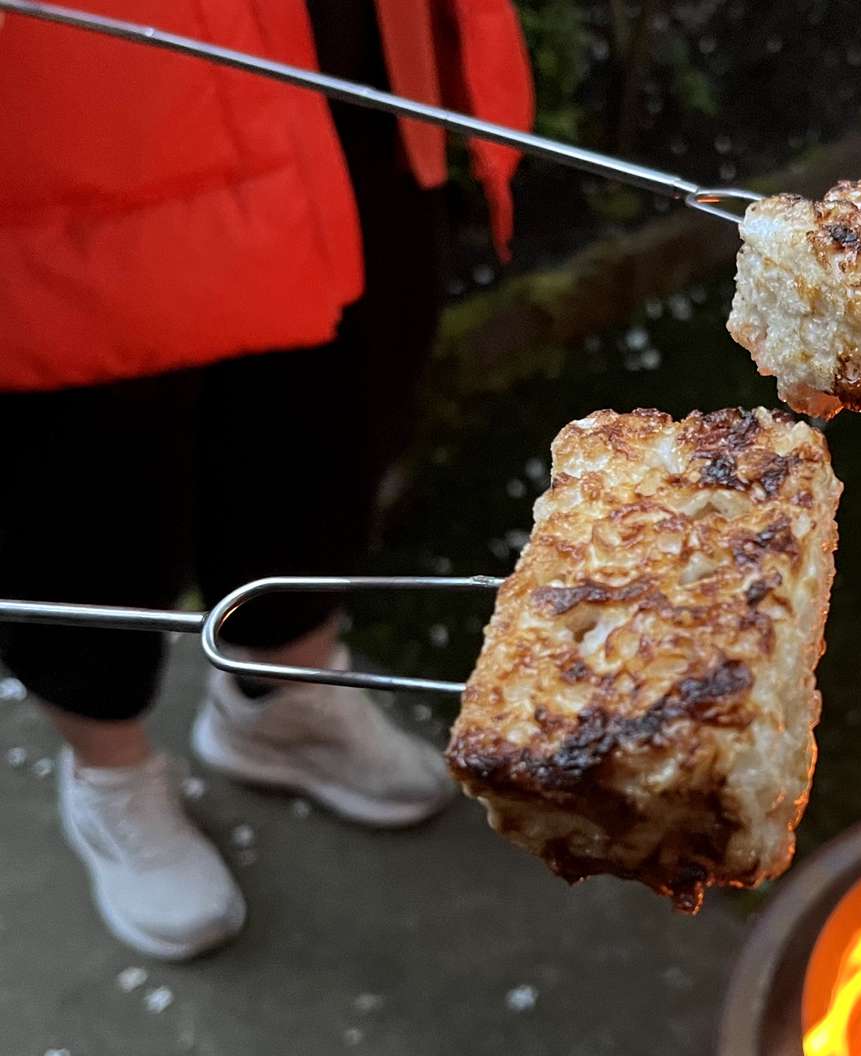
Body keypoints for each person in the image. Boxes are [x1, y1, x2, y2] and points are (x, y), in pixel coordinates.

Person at [0, 1, 534, 960]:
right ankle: (109, 771)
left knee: (340, 389)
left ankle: (279, 697)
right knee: (87, 446)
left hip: (340, 42)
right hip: (82, 71)